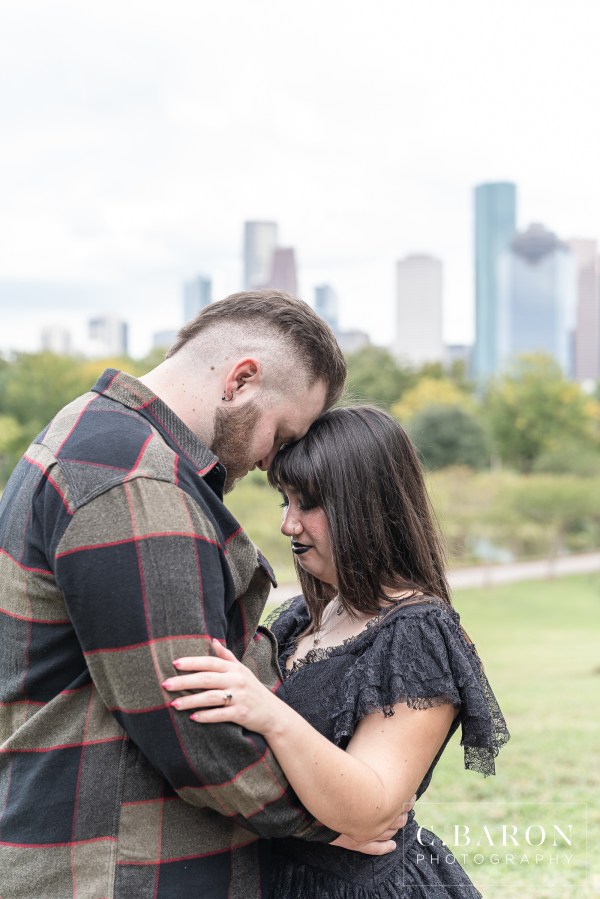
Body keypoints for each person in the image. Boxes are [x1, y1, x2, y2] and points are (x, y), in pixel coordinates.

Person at [0, 290, 391, 899]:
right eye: (282, 434)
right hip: (121, 870)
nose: (271, 462)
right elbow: (192, 723)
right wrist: (331, 817)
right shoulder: (137, 481)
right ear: (240, 380)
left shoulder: (83, 431)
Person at [163, 405, 511, 898]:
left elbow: (371, 810)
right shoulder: (300, 617)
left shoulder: (417, 632)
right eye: (284, 501)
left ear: (367, 506)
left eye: (307, 504)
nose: (288, 525)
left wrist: (268, 713)